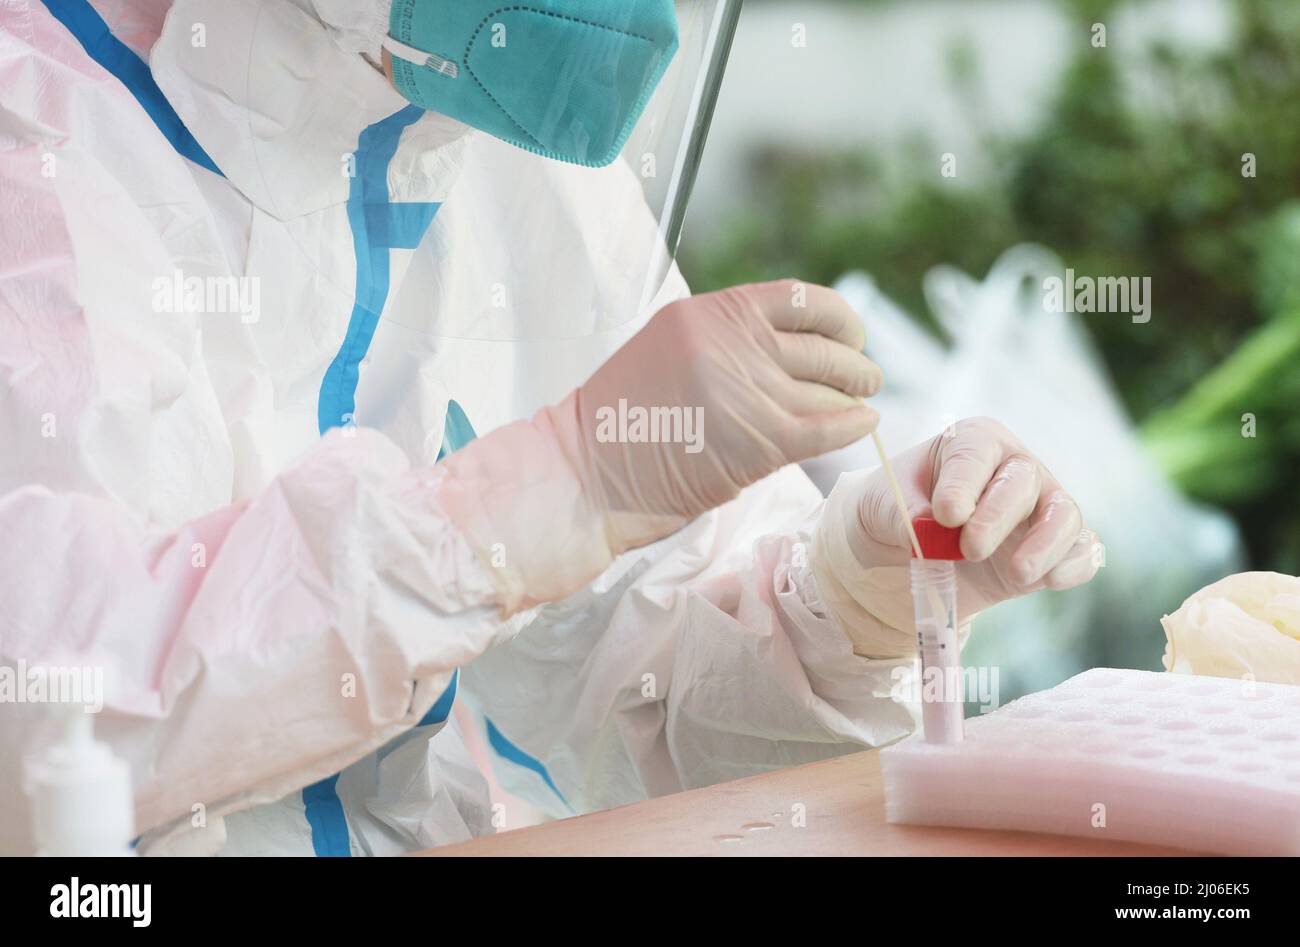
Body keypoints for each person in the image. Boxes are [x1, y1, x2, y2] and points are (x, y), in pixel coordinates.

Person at [0, 0, 1100, 856]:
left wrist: (841, 600)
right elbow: (51, 716)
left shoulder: (486, 133)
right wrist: (561, 485)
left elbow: (650, 712)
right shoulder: (39, 139)